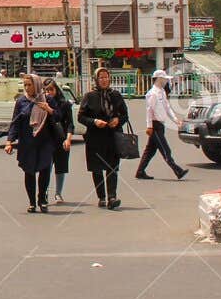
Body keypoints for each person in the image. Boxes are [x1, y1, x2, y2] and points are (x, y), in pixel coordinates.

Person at [6, 74, 60, 213]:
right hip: (27, 142)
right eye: (25, 85)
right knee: (29, 172)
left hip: (45, 141)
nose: (27, 88)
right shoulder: (21, 102)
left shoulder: (47, 100)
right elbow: (15, 122)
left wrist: (49, 109)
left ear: (36, 85)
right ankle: (32, 202)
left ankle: (42, 199)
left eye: (30, 85)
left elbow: (59, 116)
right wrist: (9, 141)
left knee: (44, 171)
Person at [78, 67, 127, 209]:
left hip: (113, 136)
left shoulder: (116, 95)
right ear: (96, 79)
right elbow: (81, 117)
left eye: (106, 77)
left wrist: (118, 120)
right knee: (97, 168)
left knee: (112, 167)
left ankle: (112, 197)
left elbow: (125, 114)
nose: (104, 80)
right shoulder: (89, 96)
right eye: (101, 78)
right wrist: (94, 122)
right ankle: (102, 197)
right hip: (95, 137)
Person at [135, 70, 188, 180]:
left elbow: (167, 107)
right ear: (159, 79)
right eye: (164, 79)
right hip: (155, 125)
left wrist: (175, 119)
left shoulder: (162, 92)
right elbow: (149, 110)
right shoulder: (152, 94)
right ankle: (178, 170)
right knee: (165, 150)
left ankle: (140, 171)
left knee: (150, 151)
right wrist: (149, 126)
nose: (166, 81)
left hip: (160, 124)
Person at [44, 79, 76, 204]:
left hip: (61, 139)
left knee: (61, 167)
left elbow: (70, 124)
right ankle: (44, 191)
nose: (49, 93)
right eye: (46, 90)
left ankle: (58, 193)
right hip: (47, 140)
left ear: (56, 90)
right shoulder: (41, 103)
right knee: (46, 167)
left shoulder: (64, 104)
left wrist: (68, 139)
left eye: (51, 90)